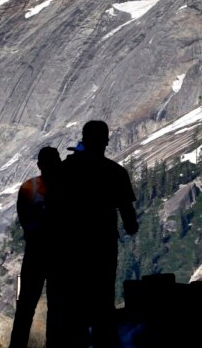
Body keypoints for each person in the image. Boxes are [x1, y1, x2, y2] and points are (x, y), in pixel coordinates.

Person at [55, 121, 138, 347]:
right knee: (102, 298)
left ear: (84, 138)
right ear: (105, 141)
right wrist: (130, 226)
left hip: (72, 245)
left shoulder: (67, 169)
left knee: (72, 299)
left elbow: (53, 206)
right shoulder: (115, 172)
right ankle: (103, 342)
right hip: (102, 245)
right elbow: (128, 213)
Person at [9, 146, 60, 348]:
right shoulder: (32, 188)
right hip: (52, 253)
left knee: (27, 306)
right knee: (53, 306)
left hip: (37, 253)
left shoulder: (28, 188)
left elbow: (24, 220)